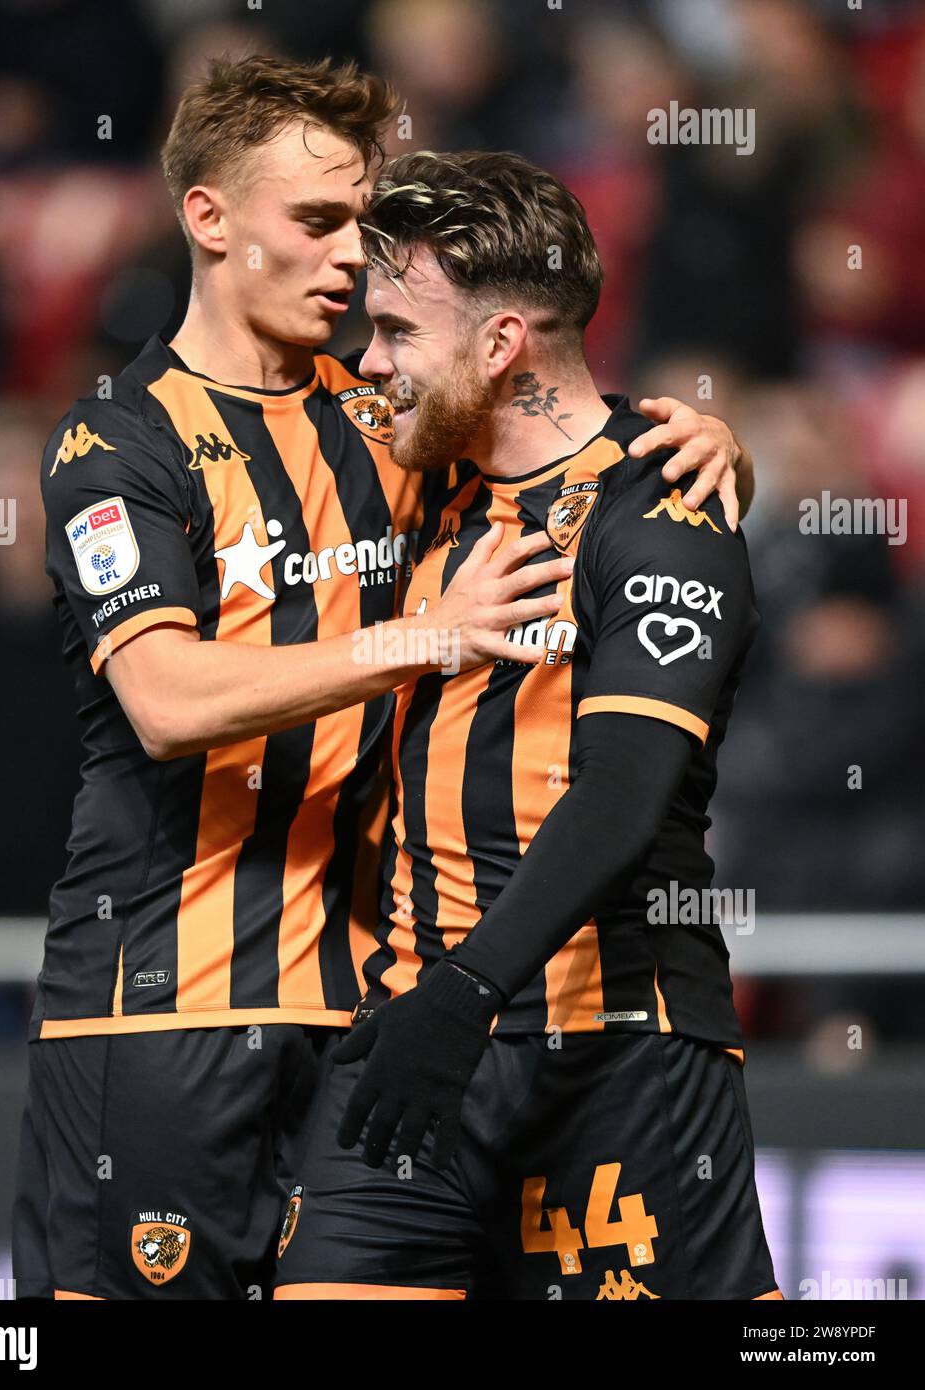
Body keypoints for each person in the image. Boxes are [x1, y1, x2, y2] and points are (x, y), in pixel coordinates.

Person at [13, 56, 755, 1301]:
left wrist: (695, 448)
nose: (354, 264)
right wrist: (422, 637)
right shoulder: (117, 442)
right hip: (165, 1009)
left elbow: (537, 421)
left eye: (362, 229)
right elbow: (167, 700)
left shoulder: (386, 421)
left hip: (371, 1009)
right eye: (314, 224)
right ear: (207, 219)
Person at [273, 150, 779, 1301]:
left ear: (501, 345)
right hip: (406, 1051)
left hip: (612, 1046)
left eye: (397, 330)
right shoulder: (419, 481)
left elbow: (624, 786)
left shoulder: (663, 510)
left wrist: (469, 989)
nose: (370, 359)